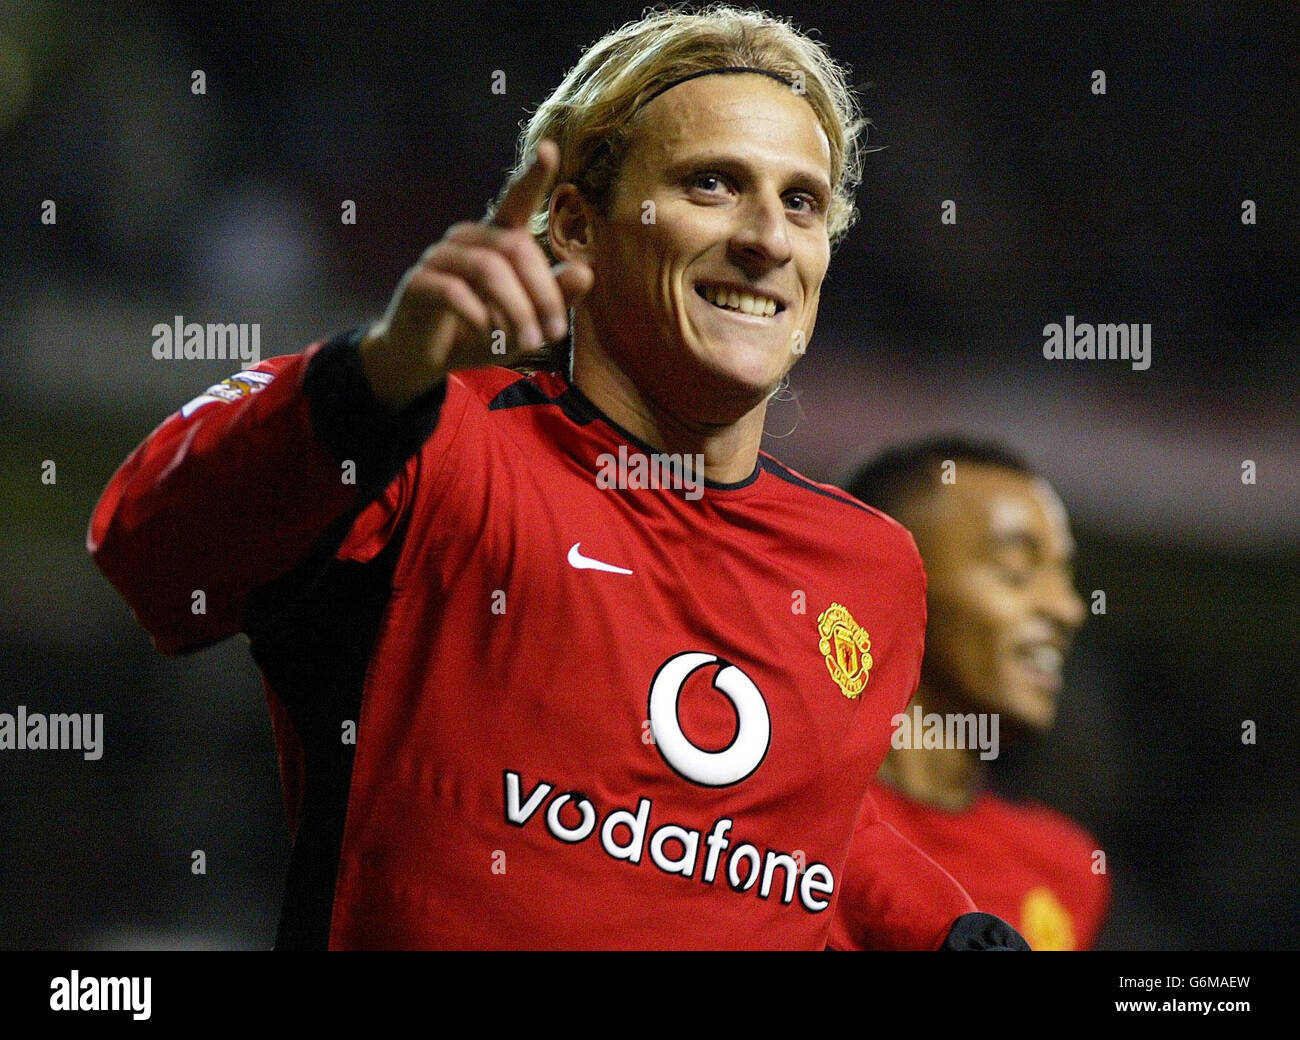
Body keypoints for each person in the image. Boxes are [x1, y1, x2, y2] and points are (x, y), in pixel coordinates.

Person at [88, 6, 1019, 950]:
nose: (768, 239)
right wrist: (374, 376)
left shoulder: (871, 568)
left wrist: (944, 932)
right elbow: (146, 549)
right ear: (575, 223)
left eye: (803, 203)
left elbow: (804, 818)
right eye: (713, 185)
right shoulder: (435, 443)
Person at [831, 437, 1110, 949]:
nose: (1068, 609)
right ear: (890, 582)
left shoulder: (1065, 868)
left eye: (1063, 575)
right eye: (1017, 571)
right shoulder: (786, 825)